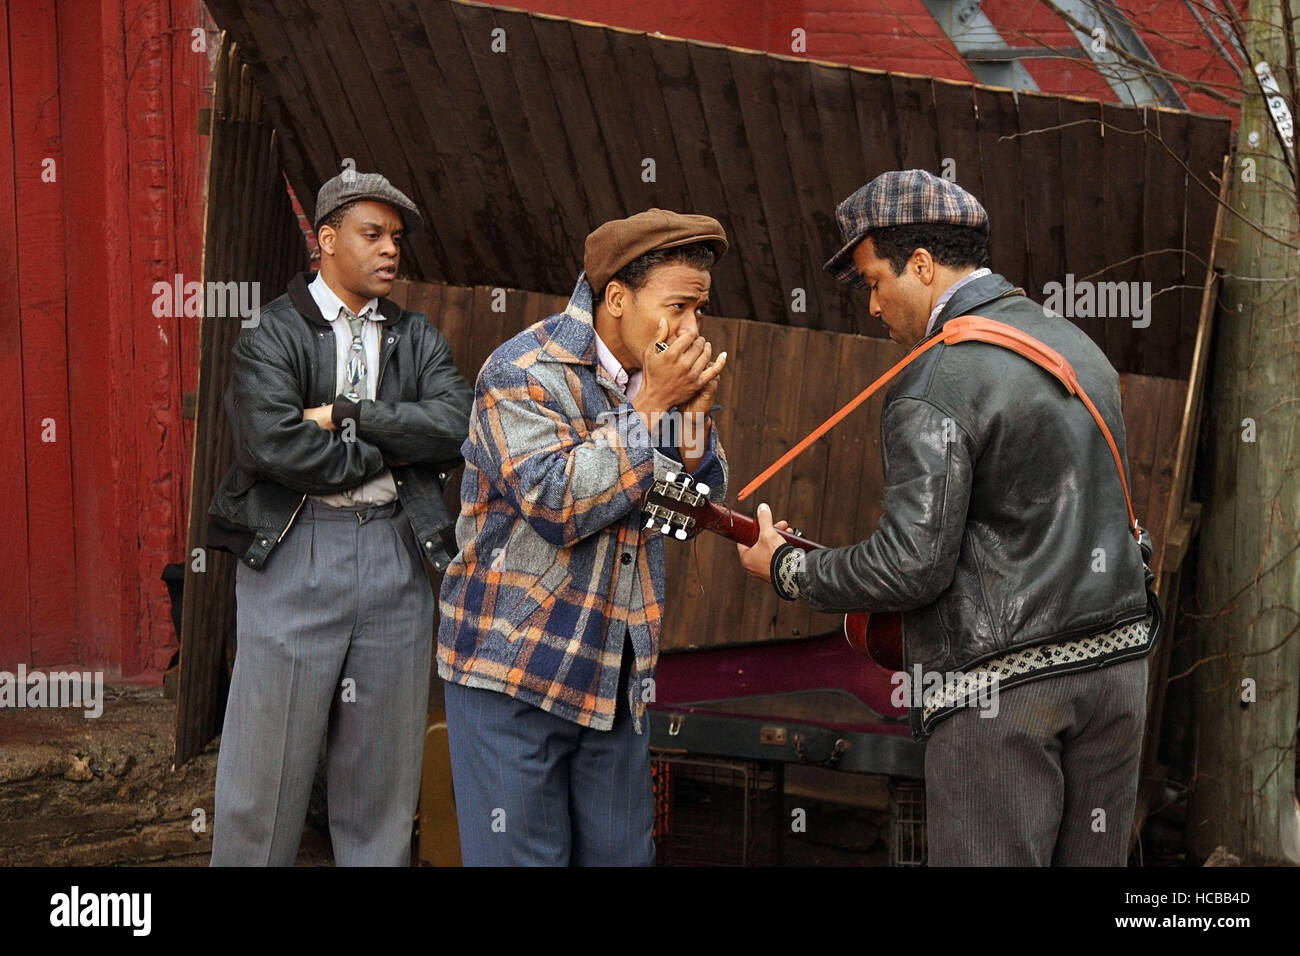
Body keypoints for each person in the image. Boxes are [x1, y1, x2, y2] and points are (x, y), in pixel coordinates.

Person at [736, 169, 1158, 866]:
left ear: (924, 266)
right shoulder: (1077, 345)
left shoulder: (935, 381)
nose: (872, 306)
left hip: (1001, 694)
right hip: (1119, 673)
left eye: (874, 281)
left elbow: (910, 566)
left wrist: (788, 568)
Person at [438, 208, 730, 866]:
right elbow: (558, 504)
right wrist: (648, 412)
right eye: (677, 307)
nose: (690, 329)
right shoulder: (522, 374)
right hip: (513, 670)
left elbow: (680, 517)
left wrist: (688, 437)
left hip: (614, 675)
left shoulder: (659, 386)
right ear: (617, 299)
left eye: (699, 312)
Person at [207, 171, 474, 865]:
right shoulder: (272, 330)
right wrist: (390, 452)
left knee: (382, 785)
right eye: (373, 234)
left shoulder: (416, 337)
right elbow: (276, 446)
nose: (391, 249)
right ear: (326, 240)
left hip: (396, 555)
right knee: (264, 783)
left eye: (397, 237)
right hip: (298, 552)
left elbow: (455, 427)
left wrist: (351, 419)